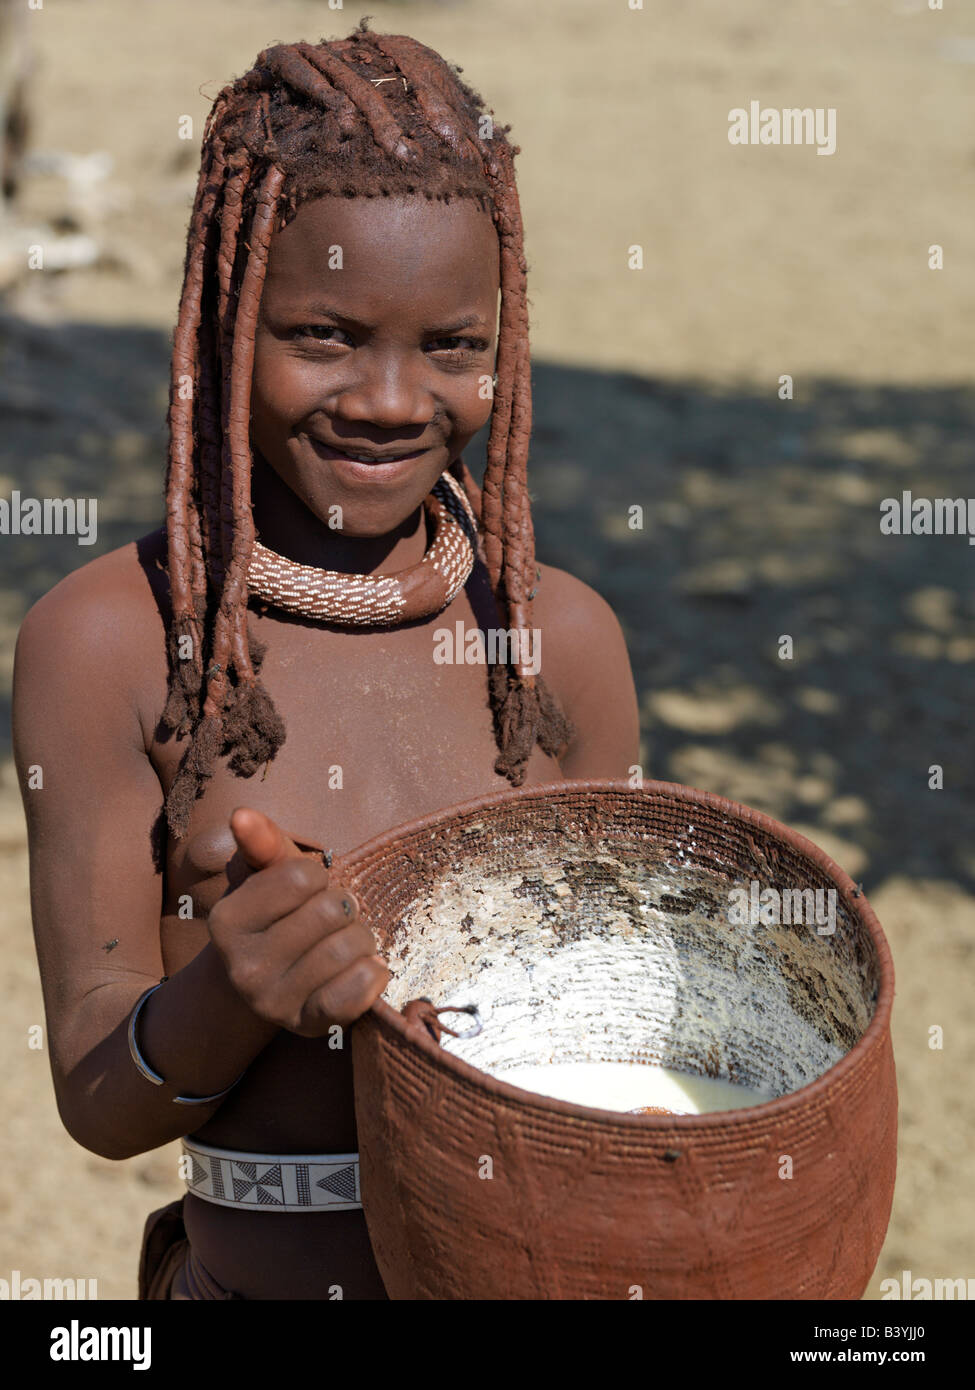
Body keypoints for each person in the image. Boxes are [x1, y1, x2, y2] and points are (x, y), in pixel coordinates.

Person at [12, 21, 640, 1300]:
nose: (394, 401)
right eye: (325, 334)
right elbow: (97, 1091)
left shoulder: (555, 645)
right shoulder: (113, 642)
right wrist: (234, 990)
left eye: (453, 347)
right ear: (226, 323)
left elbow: (623, 1043)